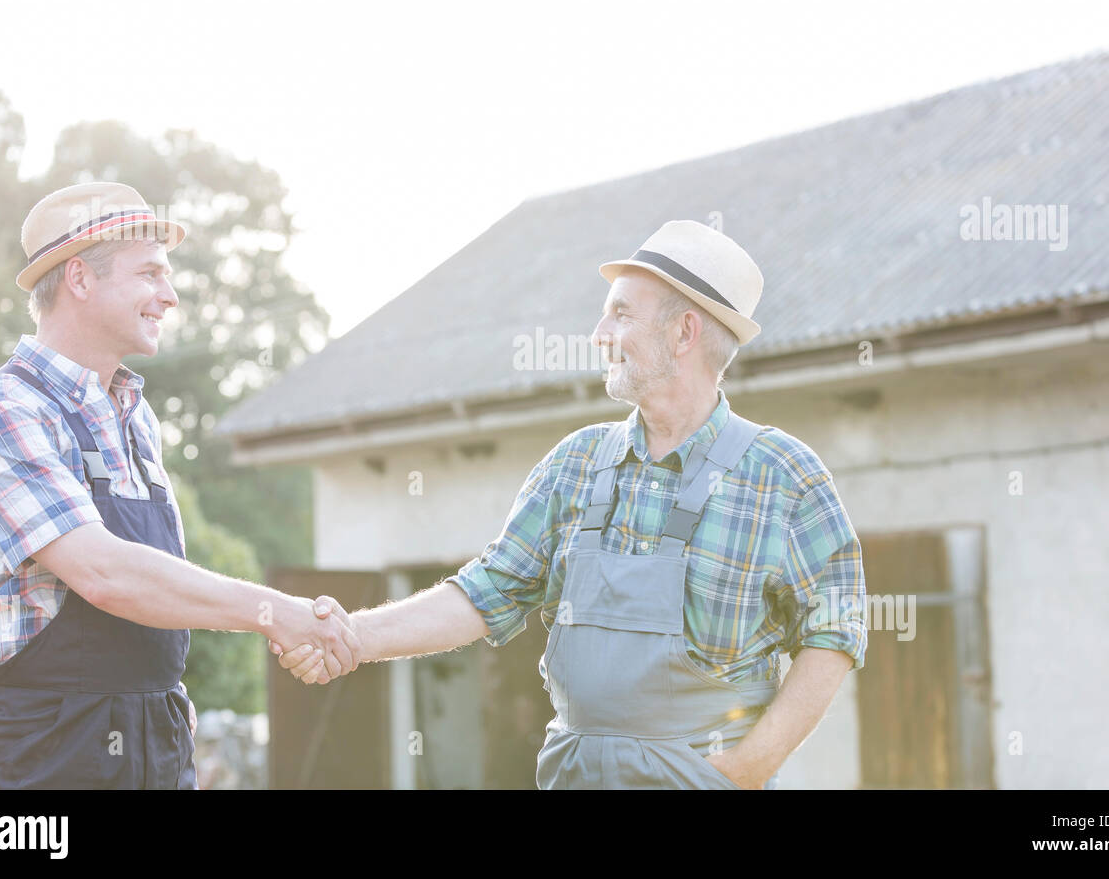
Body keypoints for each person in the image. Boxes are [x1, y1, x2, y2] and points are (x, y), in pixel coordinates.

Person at [273, 220, 867, 789]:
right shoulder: (577, 463)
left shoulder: (783, 476)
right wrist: (351, 635)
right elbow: (491, 591)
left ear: (684, 332)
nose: (598, 334)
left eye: (621, 313)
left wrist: (747, 768)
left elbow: (835, 630)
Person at [0, 182, 361, 790]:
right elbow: (107, 575)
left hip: (155, 751)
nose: (171, 295)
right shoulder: (4, 411)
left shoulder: (136, 417)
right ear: (79, 278)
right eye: (150, 274)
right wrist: (276, 613)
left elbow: (160, 593)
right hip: (43, 763)